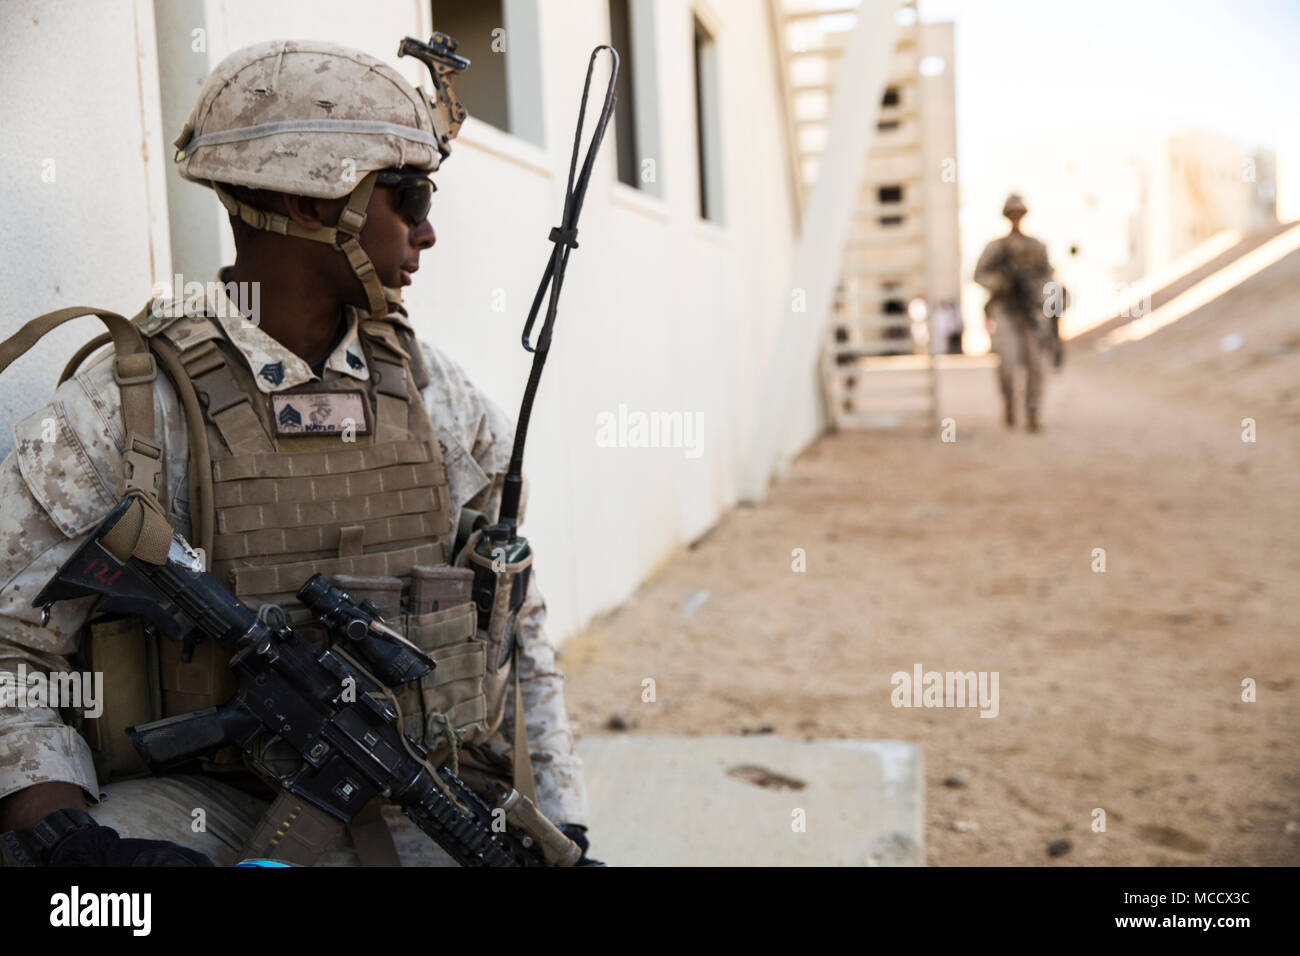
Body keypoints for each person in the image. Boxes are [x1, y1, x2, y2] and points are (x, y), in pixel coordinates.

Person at [0, 39, 592, 867]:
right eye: (408, 194)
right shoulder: (134, 407)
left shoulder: (431, 392)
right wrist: (70, 839)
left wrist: (567, 821)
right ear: (314, 206)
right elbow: (12, 646)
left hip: (421, 794)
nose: (427, 230)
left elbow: (515, 617)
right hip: (213, 807)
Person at [974, 194, 1055, 431]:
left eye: (1019, 213)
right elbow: (979, 275)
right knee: (1008, 364)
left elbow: (1047, 277)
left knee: (1036, 365)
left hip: (1031, 312)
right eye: (1011, 213)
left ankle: (1032, 411)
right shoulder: (996, 248)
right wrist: (1001, 283)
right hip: (1005, 309)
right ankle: (1009, 403)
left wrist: (1038, 295)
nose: (1015, 218)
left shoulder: (1036, 247)